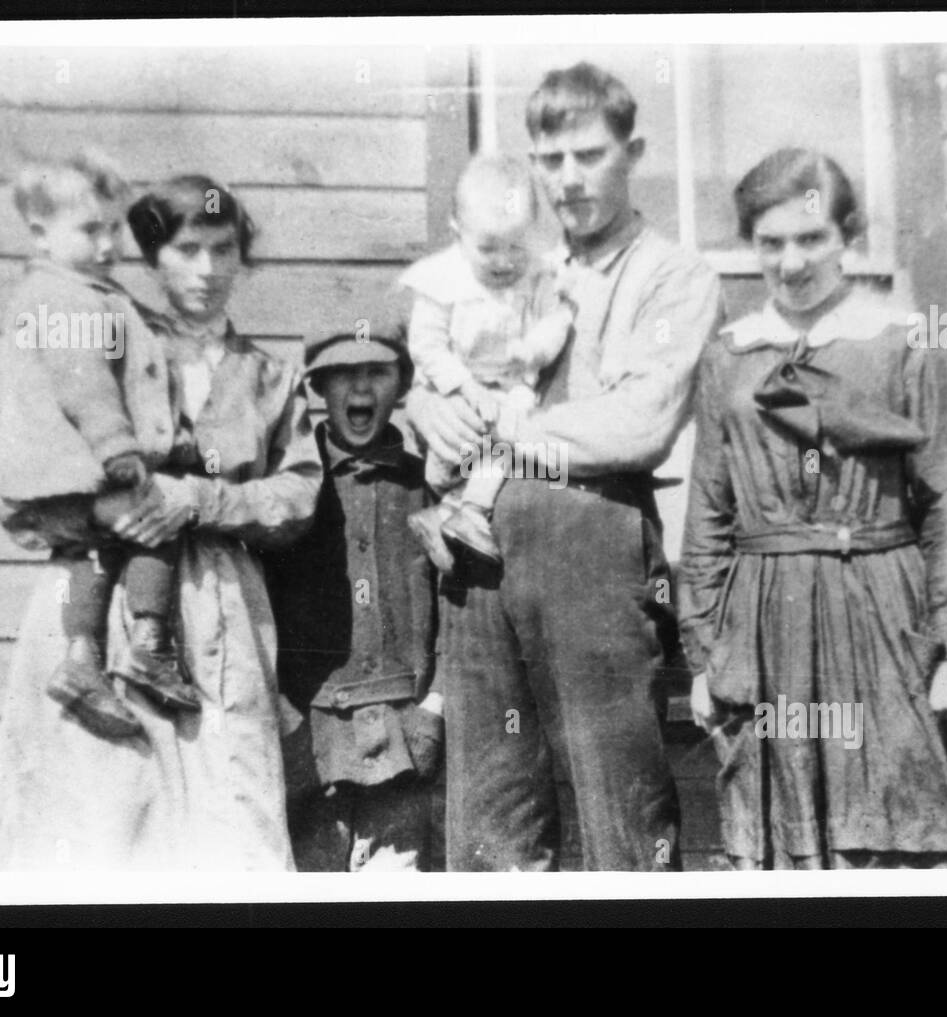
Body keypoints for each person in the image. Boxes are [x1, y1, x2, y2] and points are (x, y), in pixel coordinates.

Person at [409, 62, 724, 871]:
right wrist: (427, 413)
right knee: (489, 814)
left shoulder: (674, 277)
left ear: (634, 150)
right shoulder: (518, 265)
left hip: (590, 543)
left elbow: (640, 421)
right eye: (550, 161)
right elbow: (441, 368)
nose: (568, 178)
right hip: (478, 559)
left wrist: (507, 438)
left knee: (620, 804)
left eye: (589, 154)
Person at [0, 175, 323, 870]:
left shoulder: (268, 375)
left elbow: (298, 493)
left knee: (235, 822)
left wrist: (199, 498)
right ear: (153, 256)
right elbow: (39, 450)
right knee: (105, 822)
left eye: (223, 249)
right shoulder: (109, 338)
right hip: (101, 598)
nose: (206, 269)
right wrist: (102, 503)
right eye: (186, 249)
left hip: (223, 606)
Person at [678, 148, 947, 869]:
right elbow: (708, 515)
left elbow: (944, 500)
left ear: (847, 238)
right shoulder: (731, 355)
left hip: (882, 607)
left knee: (896, 812)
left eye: (811, 238)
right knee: (782, 825)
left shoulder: (900, 344)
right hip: (767, 620)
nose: (791, 262)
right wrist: (702, 655)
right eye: (771, 242)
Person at [0, 151, 201, 742]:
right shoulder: (63, 300)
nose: (109, 244)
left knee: (96, 551)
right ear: (40, 233)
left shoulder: (80, 291)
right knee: (155, 524)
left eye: (114, 228)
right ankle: (151, 646)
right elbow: (85, 386)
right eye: (90, 230)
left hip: (58, 477)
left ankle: (82, 660)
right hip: (76, 467)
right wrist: (120, 450)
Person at [266, 331, 443, 871]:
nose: (359, 386)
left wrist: (436, 706)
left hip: (409, 737)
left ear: (404, 383)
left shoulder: (429, 485)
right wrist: (281, 714)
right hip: (307, 737)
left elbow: (461, 609)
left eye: (377, 372)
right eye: (343, 373)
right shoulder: (289, 490)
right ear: (318, 385)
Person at [399, 153, 574, 565]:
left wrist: (535, 348)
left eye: (516, 246)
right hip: (455, 387)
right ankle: (458, 509)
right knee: (485, 442)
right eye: (488, 248)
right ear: (457, 231)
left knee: (515, 433)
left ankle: (463, 513)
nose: (503, 261)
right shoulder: (443, 279)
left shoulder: (537, 277)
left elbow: (557, 320)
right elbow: (426, 345)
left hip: (510, 388)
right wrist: (462, 386)